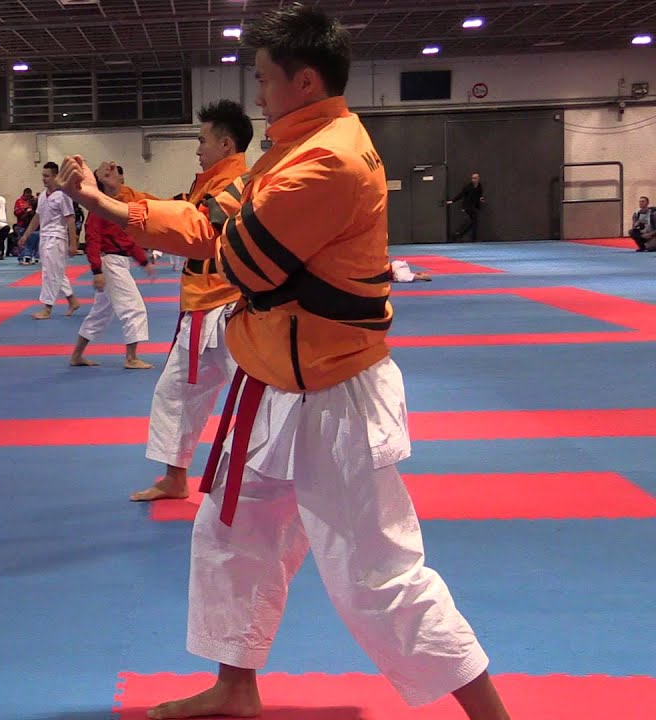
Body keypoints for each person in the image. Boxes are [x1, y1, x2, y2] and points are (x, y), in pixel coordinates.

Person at [56, 6, 510, 719]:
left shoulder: (328, 160)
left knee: (379, 579)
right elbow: (212, 224)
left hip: (335, 391)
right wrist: (110, 202)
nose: (257, 92)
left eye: (265, 78)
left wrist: (135, 212)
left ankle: (492, 714)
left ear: (303, 81)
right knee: (232, 531)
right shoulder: (291, 148)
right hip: (278, 383)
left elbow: (235, 253)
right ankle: (235, 687)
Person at [129, 99, 254, 503]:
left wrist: (118, 206)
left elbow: (194, 223)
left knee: (264, 399)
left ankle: (279, 483)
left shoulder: (240, 185)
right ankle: (174, 477)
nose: (197, 148)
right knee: (175, 393)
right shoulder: (208, 185)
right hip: (200, 307)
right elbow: (176, 208)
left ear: (226, 144)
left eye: (202, 140)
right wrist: (120, 195)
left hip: (233, 308)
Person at [69, 162, 157, 370]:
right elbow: (93, 240)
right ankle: (131, 357)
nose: (109, 176)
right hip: (109, 262)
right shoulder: (98, 207)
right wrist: (97, 271)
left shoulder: (123, 207)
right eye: (105, 174)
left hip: (119, 261)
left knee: (100, 313)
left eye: (113, 173)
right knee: (134, 307)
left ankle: (77, 355)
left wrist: (143, 261)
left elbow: (128, 239)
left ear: (122, 179)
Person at [13, 162, 81, 319]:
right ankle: (72, 301)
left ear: (56, 176)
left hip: (57, 237)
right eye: (42, 176)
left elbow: (70, 219)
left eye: (47, 176)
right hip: (44, 236)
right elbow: (37, 217)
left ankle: (47, 308)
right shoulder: (43, 196)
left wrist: (73, 243)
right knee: (56, 271)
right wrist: (26, 235)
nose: (44, 179)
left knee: (49, 273)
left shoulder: (63, 196)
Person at [448, 172, 485, 242]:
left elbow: (479, 195)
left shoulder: (479, 186)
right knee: (474, 222)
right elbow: (461, 194)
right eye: (472, 178)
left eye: (475, 178)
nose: (473, 180)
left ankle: (458, 234)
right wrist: (452, 201)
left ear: (478, 179)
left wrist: (481, 198)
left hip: (474, 207)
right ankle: (470, 238)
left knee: (472, 223)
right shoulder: (468, 187)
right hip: (467, 207)